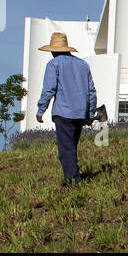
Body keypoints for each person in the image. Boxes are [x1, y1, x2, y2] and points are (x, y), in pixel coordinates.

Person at [34, 32, 98, 186]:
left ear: (53, 50)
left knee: (66, 149)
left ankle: (72, 180)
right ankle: (73, 176)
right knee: (72, 146)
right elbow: (91, 92)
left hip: (63, 112)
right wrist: (90, 114)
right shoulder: (83, 65)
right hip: (80, 113)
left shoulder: (54, 64)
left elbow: (49, 89)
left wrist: (41, 110)